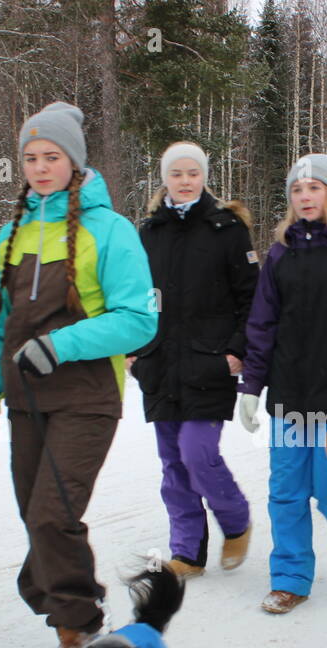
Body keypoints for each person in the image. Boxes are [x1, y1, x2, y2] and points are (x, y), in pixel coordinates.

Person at [0, 101, 156, 648]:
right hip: (26, 402)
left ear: (75, 161)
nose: (40, 167)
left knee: (52, 516)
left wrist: (61, 343)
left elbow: (138, 321)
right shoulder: (11, 233)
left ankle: (78, 635)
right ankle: (65, 609)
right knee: (37, 520)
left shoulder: (112, 230)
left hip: (86, 397)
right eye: (30, 158)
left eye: (52, 156)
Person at [237, 153, 327, 614]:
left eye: (314, 188)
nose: (305, 197)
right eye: (298, 190)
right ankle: (291, 578)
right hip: (288, 394)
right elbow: (262, 325)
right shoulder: (279, 254)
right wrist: (250, 386)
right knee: (285, 492)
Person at [133, 142, 258, 579]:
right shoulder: (149, 232)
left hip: (210, 363)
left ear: (204, 176)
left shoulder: (227, 229)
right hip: (159, 363)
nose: (185, 181)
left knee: (196, 451)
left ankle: (236, 517)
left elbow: (251, 298)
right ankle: (187, 551)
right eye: (176, 173)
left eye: (193, 173)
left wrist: (237, 352)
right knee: (172, 464)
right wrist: (134, 352)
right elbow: (132, 298)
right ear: (164, 178)